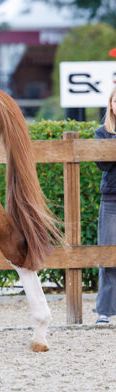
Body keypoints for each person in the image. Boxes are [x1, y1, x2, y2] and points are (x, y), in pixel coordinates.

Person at [95, 86, 116, 324]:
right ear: (110, 105)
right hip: (112, 199)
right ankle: (105, 311)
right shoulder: (102, 132)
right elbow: (102, 164)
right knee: (108, 255)